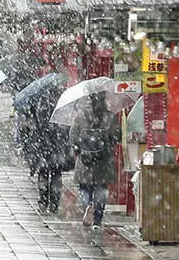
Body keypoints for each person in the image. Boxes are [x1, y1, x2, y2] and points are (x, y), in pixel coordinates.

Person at [69, 92, 121, 230]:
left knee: (85, 188)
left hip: (85, 159)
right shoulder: (109, 117)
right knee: (101, 189)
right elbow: (117, 137)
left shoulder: (80, 115)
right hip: (104, 160)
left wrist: (79, 147)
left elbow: (72, 136)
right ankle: (97, 220)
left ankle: (87, 206)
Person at [30, 88, 73, 213]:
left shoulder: (41, 109)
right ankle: (54, 202)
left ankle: (43, 200)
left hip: (44, 149)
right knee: (56, 176)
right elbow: (66, 132)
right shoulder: (63, 110)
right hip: (57, 150)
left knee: (43, 175)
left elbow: (36, 129)